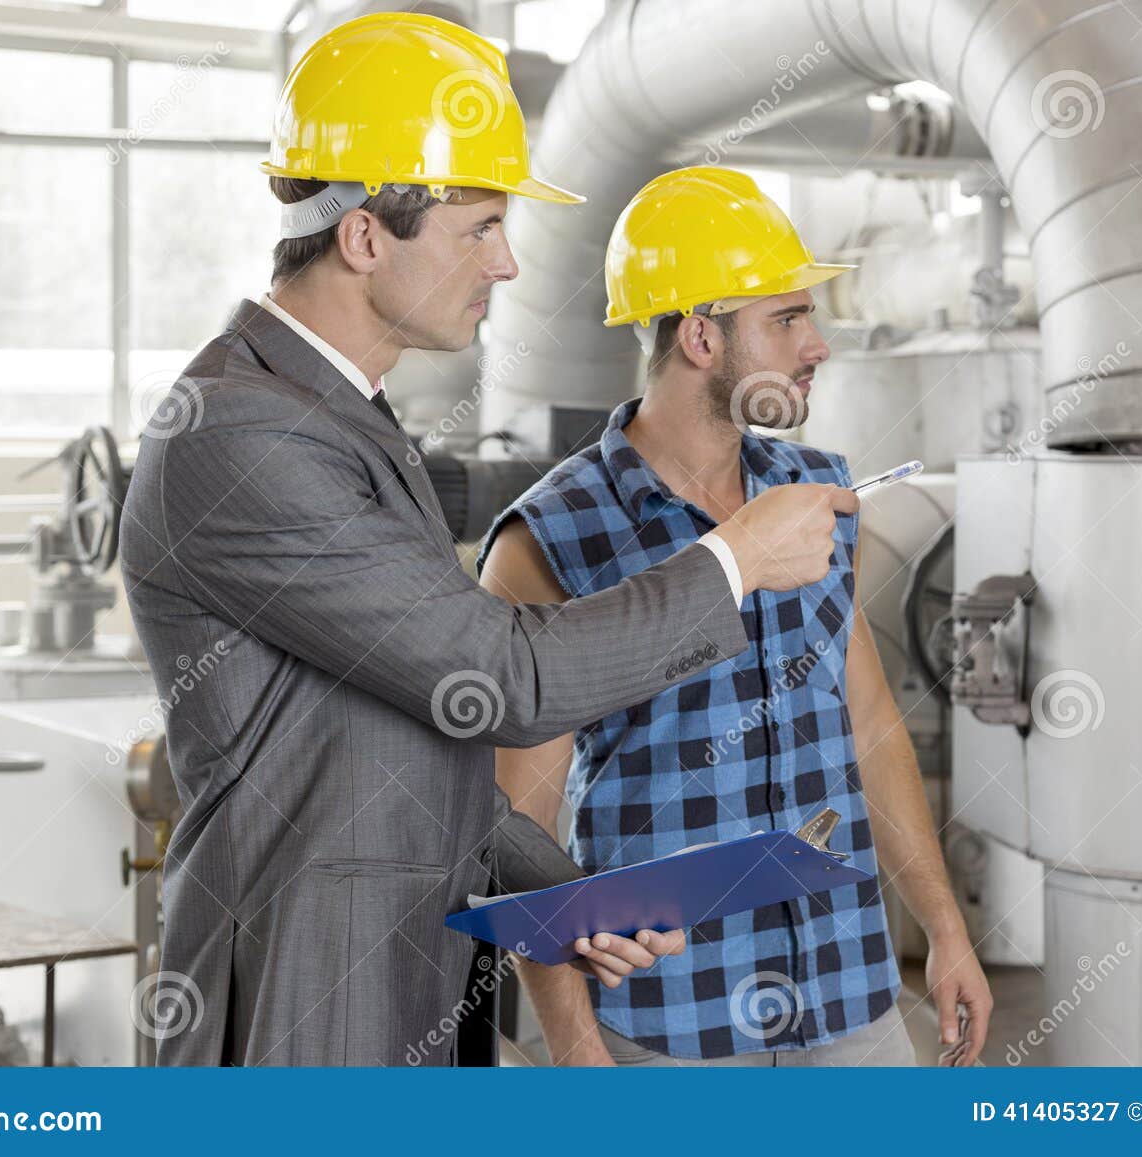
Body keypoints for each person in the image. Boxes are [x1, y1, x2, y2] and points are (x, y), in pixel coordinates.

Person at [119, 20, 857, 1066]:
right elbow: (502, 674)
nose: (506, 262)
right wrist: (731, 559)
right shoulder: (244, 434)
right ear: (365, 234)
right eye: (478, 227)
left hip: (400, 978)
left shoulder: (344, 416)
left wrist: (564, 897)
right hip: (302, 997)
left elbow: (413, 739)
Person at [479, 167, 992, 1067]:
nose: (819, 345)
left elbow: (870, 729)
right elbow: (516, 822)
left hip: (850, 997)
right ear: (702, 335)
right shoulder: (549, 540)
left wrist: (946, 928)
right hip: (671, 1025)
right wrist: (571, 1042)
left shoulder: (818, 494)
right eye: (788, 319)